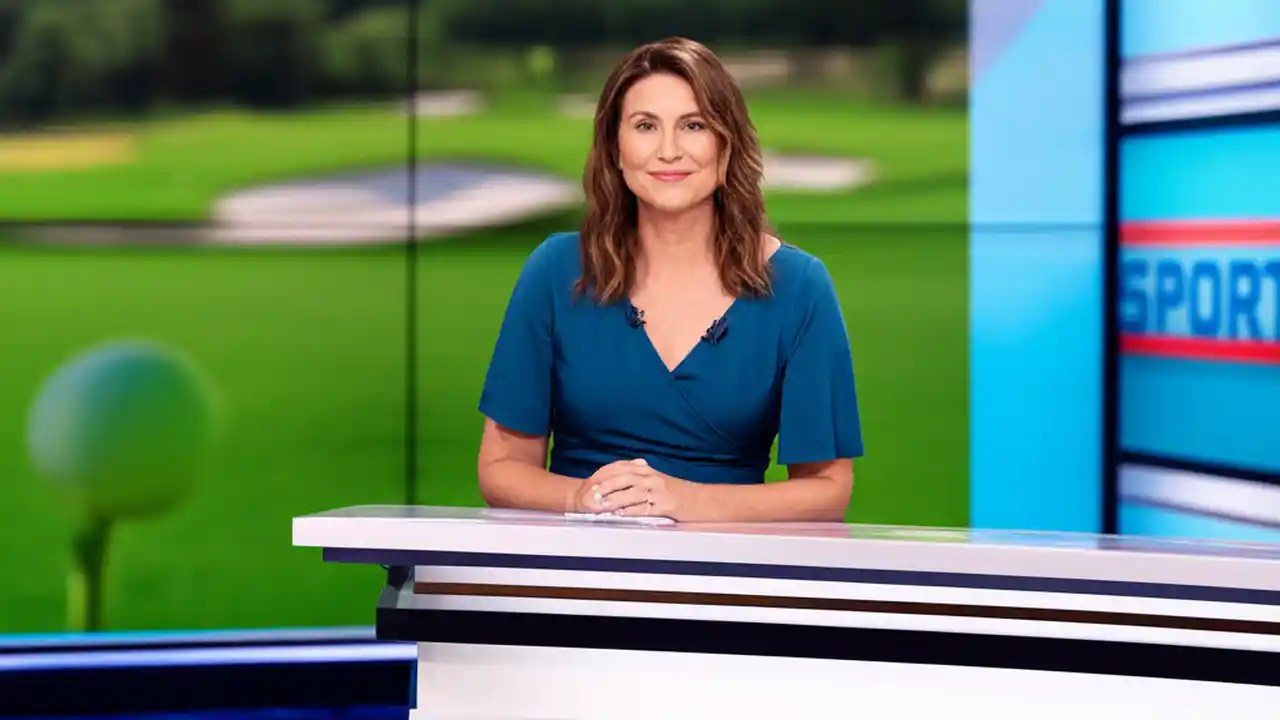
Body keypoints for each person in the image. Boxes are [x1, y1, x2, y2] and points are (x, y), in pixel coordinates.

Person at [475, 37, 862, 523]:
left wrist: (689, 502)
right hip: (575, 572)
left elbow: (827, 490)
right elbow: (502, 467)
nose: (669, 150)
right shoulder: (556, 271)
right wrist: (587, 499)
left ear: (726, 145)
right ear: (615, 148)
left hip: (723, 574)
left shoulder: (800, 287)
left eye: (693, 126)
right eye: (645, 126)